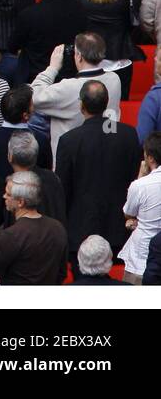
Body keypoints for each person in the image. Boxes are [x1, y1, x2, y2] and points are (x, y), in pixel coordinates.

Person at [56, 78, 140, 270]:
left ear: (81, 105)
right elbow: (133, 177)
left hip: (81, 231)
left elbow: (63, 190)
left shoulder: (69, 141)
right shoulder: (128, 134)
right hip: (119, 229)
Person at [31, 34, 122, 159]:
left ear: (78, 56)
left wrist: (52, 68)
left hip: (70, 161)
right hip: (105, 153)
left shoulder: (67, 88)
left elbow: (33, 97)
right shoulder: (114, 80)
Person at [0, 171, 69, 284]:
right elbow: (62, 272)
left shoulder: (11, 235)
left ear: (20, 202)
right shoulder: (58, 228)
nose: (4, 196)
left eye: (8, 194)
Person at [120, 133, 161, 283]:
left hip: (142, 256)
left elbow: (128, 212)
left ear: (150, 158)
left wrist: (141, 175)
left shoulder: (140, 185)